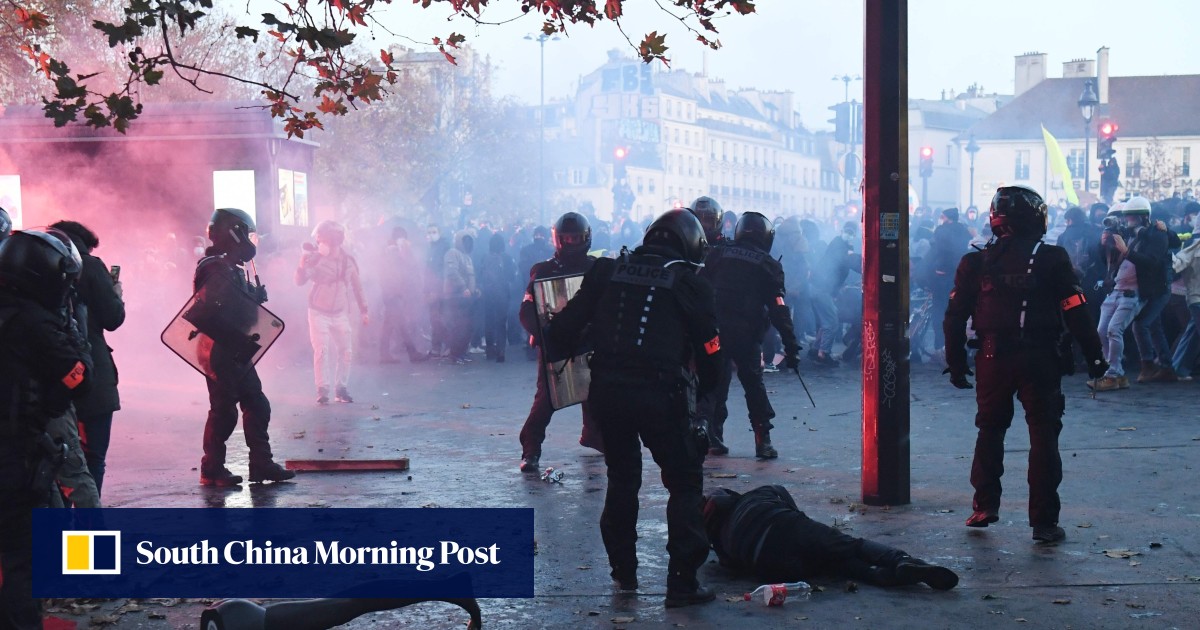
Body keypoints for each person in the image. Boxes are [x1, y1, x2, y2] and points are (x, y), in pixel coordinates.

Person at [546, 209, 722, 608]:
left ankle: (623, 572)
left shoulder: (608, 270)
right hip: (662, 395)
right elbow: (711, 348)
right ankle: (681, 583)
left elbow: (561, 329)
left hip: (608, 393)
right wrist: (707, 394)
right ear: (689, 244)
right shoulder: (690, 283)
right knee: (684, 482)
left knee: (622, 479)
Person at [943, 186, 1107, 544]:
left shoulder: (975, 261)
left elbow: (954, 317)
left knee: (990, 430)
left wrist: (955, 364)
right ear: (1036, 218)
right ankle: (1044, 522)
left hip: (990, 357)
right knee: (1043, 436)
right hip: (1039, 358)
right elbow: (1076, 309)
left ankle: (984, 505)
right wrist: (1094, 356)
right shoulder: (1051, 258)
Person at [0, 228, 93, 628]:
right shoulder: (35, 322)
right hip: (14, 453)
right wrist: (73, 330)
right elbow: (78, 378)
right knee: (24, 560)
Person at [195, 208, 294, 486]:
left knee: (256, 404)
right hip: (220, 349)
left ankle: (261, 464)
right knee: (224, 410)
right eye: (247, 234)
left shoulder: (226, 266)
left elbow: (233, 305)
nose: (251, 241)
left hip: (235, 348)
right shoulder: (213, 266)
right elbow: (211, 310)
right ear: (234, 233)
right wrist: (248, 299)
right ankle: (212, 469)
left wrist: (252, 296)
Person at [703, 485, 958, 590]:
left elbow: (732, 566)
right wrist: (804, 526)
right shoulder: (757, 495)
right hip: (788, 525)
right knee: (851, 546)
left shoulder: (723, 542)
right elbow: (785, 498)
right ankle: (901, 560)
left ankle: (879, 575)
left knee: (832, 565)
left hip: (769, 564)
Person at [699, 212, 800, 459]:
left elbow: (699, 289)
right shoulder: (767, 265)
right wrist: (791, 345)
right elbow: (779, 308)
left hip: (715, 333)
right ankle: (762, 440)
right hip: (746, 335)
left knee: (714, 385)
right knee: (754, 386)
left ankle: (712, 437)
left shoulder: (717, 254)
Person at [517, 212, 601, 472]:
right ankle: (531, 449)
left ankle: (595, 436)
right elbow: (527, 310)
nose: (573, 242)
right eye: (568, 238)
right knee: (547, 399)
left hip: (588, 339)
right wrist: (543, 335)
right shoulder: (543, 271)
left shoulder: (595, 268)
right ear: (559, 239)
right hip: (555, 341)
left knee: (596, 392)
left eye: (577, 238)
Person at [49, 221, 125, 500]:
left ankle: (56, 531)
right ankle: (85, 536)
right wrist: (116, 294)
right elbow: (112, 318)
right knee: (92, 457)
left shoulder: (34, 268)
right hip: (92, 373)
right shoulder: (91, 266)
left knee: (54, 458)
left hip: (49, 374)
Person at [295, 220, 369, 404]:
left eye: (321, 239)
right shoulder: (316, 259)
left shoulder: (348, 262)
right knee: (321, 350)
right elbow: (300, 280)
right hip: (318, 311)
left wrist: (364, 310)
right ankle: (323, 390)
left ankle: (341, 388)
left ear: (330, 241)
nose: (318, 243)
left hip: (340, 313)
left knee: (346, 351)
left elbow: (358, 287)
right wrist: (304, 261)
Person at [811, 221, 862, 366]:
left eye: (852, 232)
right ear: (842, 231)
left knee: (826, 321)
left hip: (820, 288)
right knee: (832, 322)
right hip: (822, 289)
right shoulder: (840, 246)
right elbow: (850, 262)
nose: (850, 234)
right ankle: (823, 353)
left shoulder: (840, 244)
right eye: (848, 231)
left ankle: (816, 349)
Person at [378, 227, 427, 363]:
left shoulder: (388, 250)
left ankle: (384, 354)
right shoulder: (394, 251)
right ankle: (412, 353)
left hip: (390, 292)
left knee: (389, 324)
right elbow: (404, 269)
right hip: (394, 293)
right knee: (401, 324)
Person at [929, 208, 973, 356]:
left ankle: (939, 346)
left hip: (942, 276)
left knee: (939, 310)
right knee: (958, 312)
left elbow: (935, 251)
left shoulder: (941, 231)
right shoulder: (964, 230)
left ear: (946, 218)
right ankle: (956, 346)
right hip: (960, 276)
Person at [479, 232, 517, 362]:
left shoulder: (485, 257)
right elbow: (512, 276)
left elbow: (479, 275)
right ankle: (501, 351)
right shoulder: (506, 258)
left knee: (489, 322)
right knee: (501, 323)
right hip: (502, 294)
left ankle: (490, 350)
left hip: (487, 294)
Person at [443, 230, 478, 364]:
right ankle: (455, 354)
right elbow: (452, 272)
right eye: (465, 241)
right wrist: (464, 288)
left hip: (467, 298)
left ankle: (462, 352)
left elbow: (471, 276)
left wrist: (476, 289)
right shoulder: (452, 253)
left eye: (470, 241)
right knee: (458, 327)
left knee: (467, 327)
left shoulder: (467, 256)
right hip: (455, 296)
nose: (468, 244)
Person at [424, 225, 451, 358]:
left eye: (434, 232)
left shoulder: (444, 248)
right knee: (434, 318)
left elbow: (442, 270)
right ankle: (436, 346)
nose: (431, 234)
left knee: (439, 318)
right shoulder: (431, 248)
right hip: (431, 287)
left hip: (440, 288)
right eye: (429, 232)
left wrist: (436, 289)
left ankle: (449, 344)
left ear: (440, 232)